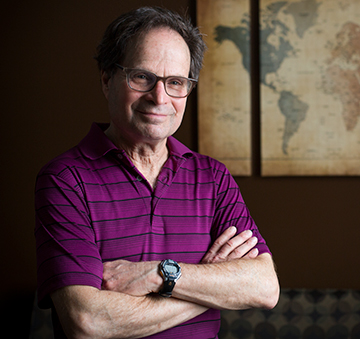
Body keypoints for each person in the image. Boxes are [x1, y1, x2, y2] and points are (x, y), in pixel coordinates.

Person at [34, 6, 279, 338]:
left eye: (175, 82)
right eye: (142, 77)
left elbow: (264, 287)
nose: (159, 97)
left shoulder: (214, 178)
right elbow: (87, 321)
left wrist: (159, 274)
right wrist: (211, 288)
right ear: (107, 80)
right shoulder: (64, 180)